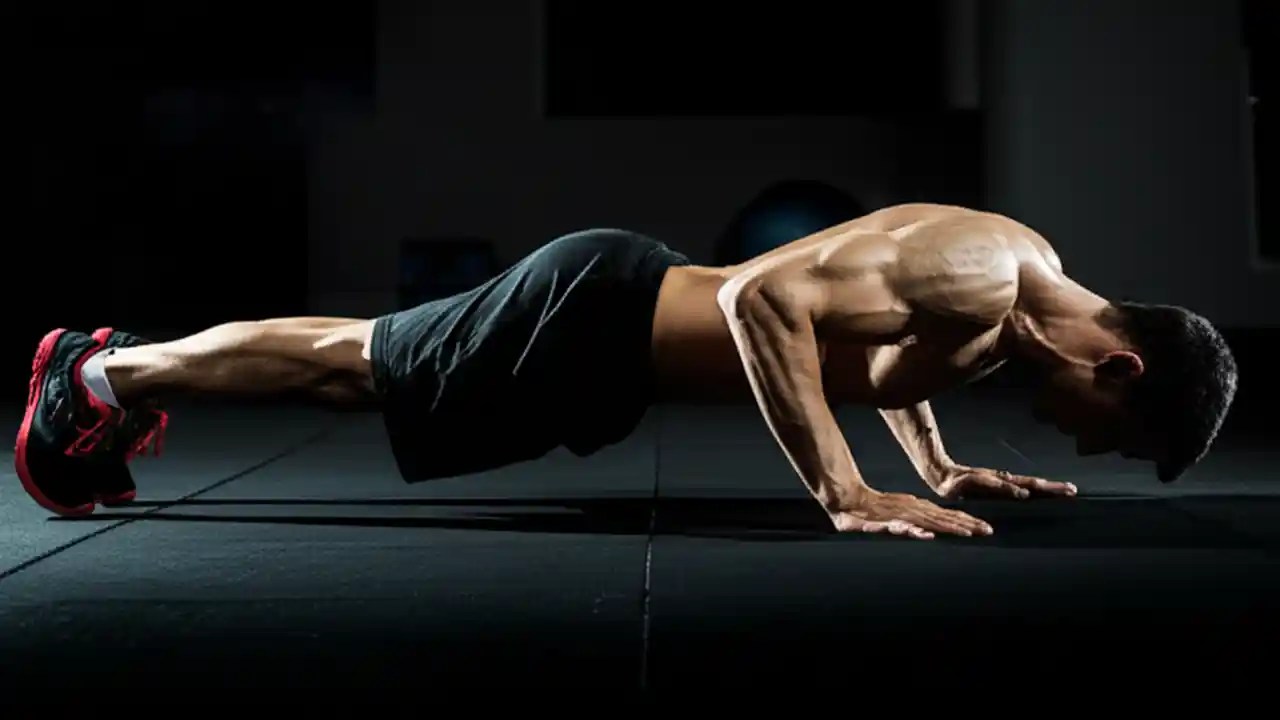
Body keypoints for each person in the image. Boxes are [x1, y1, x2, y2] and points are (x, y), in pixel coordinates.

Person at [14, 203, 1237, 540]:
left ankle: (120, 378)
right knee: (354, 364)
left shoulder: (1005, 313)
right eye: (1106, 430)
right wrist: (844, 492)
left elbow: (885, 359)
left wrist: (934, 458)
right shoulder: (985, 271)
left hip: (613, 361)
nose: (1078, 442)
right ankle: (99, 377)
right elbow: (766, 299)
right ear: (1120, 364)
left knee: (358, 370)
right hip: (599, 307)